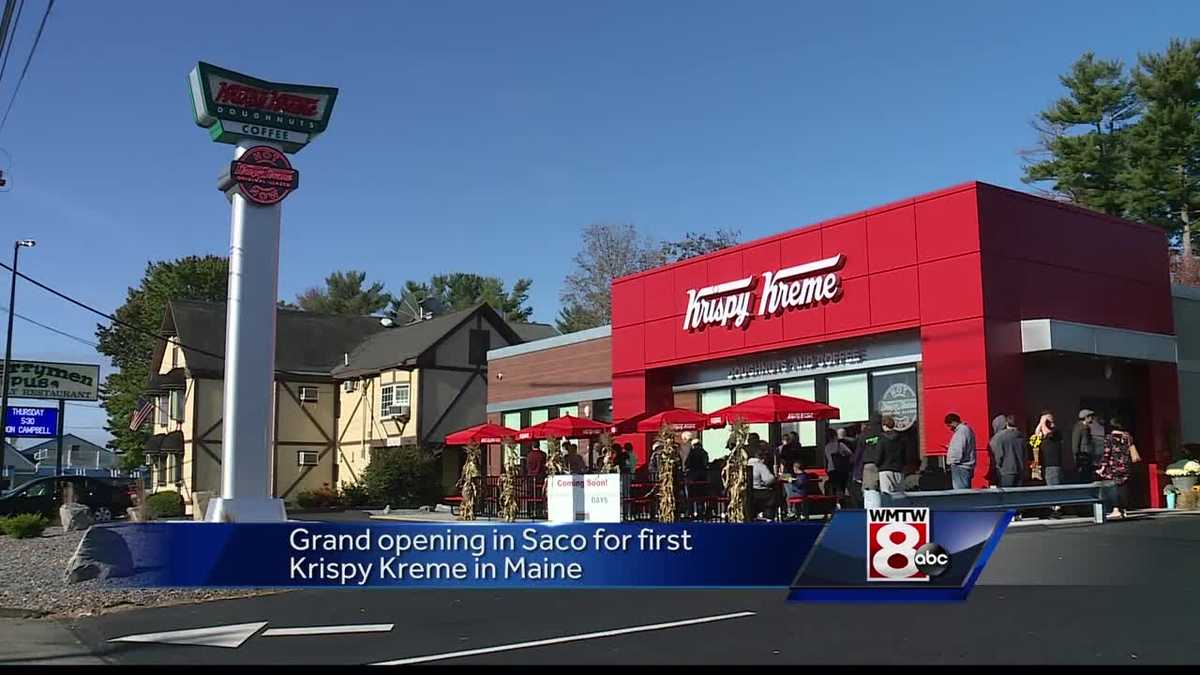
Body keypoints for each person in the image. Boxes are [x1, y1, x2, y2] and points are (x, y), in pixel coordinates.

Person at [1096, 418, 1140, 519]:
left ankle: (1116, 509)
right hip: (1126, 465)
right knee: (1123, 487)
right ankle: (1123, 510)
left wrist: (1102, 467)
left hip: (1114, 466)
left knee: (1113, 487)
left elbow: (1107, 453)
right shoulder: (1128, 437)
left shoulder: (1109, 438)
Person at [990, 414, 1026, 488]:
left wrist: (998, 466)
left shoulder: (1001, 438)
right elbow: (1025, 455)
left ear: (1006, 423)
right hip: (1020, 470)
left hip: (1006, 471)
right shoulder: (1021, 437)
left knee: (1007, 496)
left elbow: (999, 456)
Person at [876, 415, 908, 495]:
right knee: (899, 496)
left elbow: (878, 456)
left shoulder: (882, 439)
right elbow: (904, 455)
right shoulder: (901, 439)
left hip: (885, 469)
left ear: (884, 425)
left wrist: (877, 464)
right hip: (898, 470)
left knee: (887, 495)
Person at [945, 413, 976, 490]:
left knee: (960, 492)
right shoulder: (966, 430)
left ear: (953, 422)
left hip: (960, 466)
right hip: (965, 466)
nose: (950, 428)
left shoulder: (961, 431)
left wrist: (952, 460)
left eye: (949, 425)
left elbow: (959, 448)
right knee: (965, 491)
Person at [748, 447, 779, 520]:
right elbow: (768, 480)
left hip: (749, 492)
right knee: (774, 494)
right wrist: (775, 477)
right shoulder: (760, 465)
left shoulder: (747, 464)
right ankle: (768, 516)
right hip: (759, 492)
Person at [684, 436, 710, 518]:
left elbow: (686, 464)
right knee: (701, 496)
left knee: (691, 496)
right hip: (702, 477)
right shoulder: (704, 453)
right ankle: (700, 512)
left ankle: (690, 512)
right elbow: (706, 463)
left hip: (692, 477)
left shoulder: (691, 453)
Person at [823, 427, 852, 498]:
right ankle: (841, 500)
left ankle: (835, 500)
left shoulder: (826, 447)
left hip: (831, 469)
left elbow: (826, 459)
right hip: (841, 469)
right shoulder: (840, 445)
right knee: (842, 487)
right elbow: (850, 453)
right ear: (835, 436)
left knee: (834, 487)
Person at [1072, 409, 1097, 482]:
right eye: (1090, 416)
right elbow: (1075, 446)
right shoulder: (1079, 428)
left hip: (1088, 458)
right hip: (1082, 459)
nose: (1092, 418)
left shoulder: (1087, 428)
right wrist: (1077, 462)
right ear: (1086, 417)